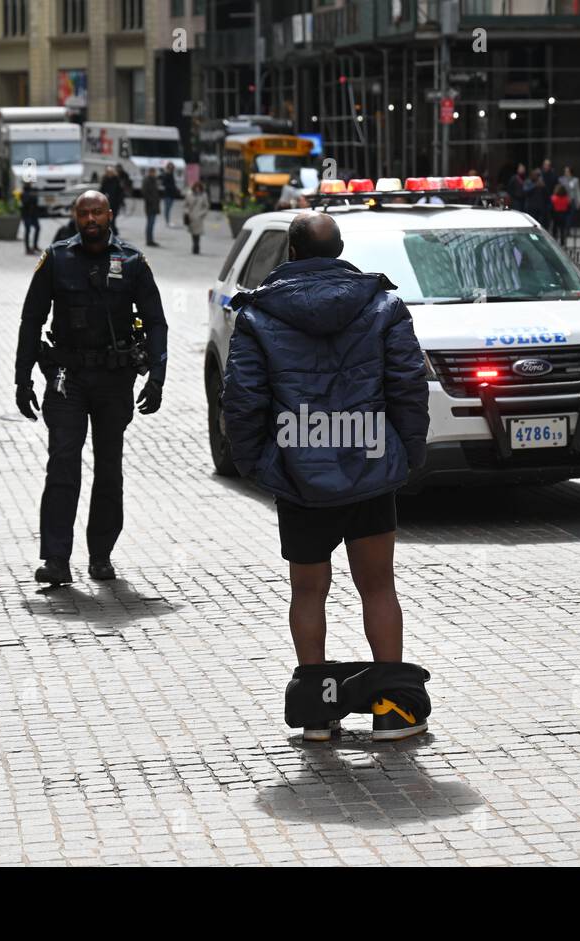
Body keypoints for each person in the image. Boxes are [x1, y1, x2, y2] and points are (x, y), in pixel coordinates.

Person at [221, 212, 432, 743]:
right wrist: (406, 453)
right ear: (339, 249)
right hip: (368, 463)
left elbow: (242, 399)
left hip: (299, 471)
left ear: (290, 253)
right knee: (378, 584)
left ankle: (318, 713)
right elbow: (408, 385)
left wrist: (256, 464)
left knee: (308, 590)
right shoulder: (383, 305)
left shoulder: (259, 314)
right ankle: (392, 711)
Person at [14, 189, 167, 585]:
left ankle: (101, 555)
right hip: (68, 377)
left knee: (109, 469)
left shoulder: (132, 261)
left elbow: (155, 321)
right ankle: (56, 559)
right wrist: (22, 377)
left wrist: (158, 375)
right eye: (84, 213)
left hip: (114, 380)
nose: (91, 220)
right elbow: (31, 319)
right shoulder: (57, 258)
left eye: (98, 212)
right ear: (75, 216)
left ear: (110, 214)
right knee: (62, 465)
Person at [184, 181, 209, 255]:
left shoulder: (203, 195)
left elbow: (206, 206)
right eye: (196, 188)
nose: (197, 189)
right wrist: (187, 212)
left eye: (199, 188)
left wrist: (202, 214)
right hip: (191, 217)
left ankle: (196, 247)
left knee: (197, 233)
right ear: (194, 188)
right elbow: (186, 205)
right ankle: (195, 246)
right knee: (193, 233)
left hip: (198, 218)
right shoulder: (189, 194)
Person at [99, 165, 124, 236]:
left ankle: (114, 232)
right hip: (108, 202)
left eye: (110, 172)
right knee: (109, 218)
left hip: (116, 202)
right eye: (108, 172)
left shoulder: (116, 180)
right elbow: (102, 190)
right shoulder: (105, 180)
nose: (109, 173)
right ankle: (114, 232)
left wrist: (120, 201)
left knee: (113, 217)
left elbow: (120, 191)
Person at [141, 169, 161, 247]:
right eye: (153, 172)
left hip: (154, 205)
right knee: (150, 223)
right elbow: (144, 192)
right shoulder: (147, 180)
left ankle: (151, 239)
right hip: (150, 205)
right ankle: (149, 240)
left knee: (152, 223)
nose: (154, 174)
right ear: (150, 172)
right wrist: (150, 200)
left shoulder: (154, 180)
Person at [21, 182, 42, 255]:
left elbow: (36, 203)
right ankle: (27, 249)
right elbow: (25, 202)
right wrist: (31, 197)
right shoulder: (24, 193)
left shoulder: (32, 192)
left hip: (33, 215)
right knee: (28, 230)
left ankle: (35, 246)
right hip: (27, 215)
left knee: (38, 228)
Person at [160, 163, 181, 228]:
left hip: (171, 194)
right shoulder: (166, 175)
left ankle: (168, 221)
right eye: (170, 168)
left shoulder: (171, 174)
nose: (171, 169)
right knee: (167, 208)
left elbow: (172, 184)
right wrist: (172, 187)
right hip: (167, 194)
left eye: (172, 168)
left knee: (169, 208)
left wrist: (175, 188)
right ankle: (167, 222)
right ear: (167, 168)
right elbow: (164, 184)